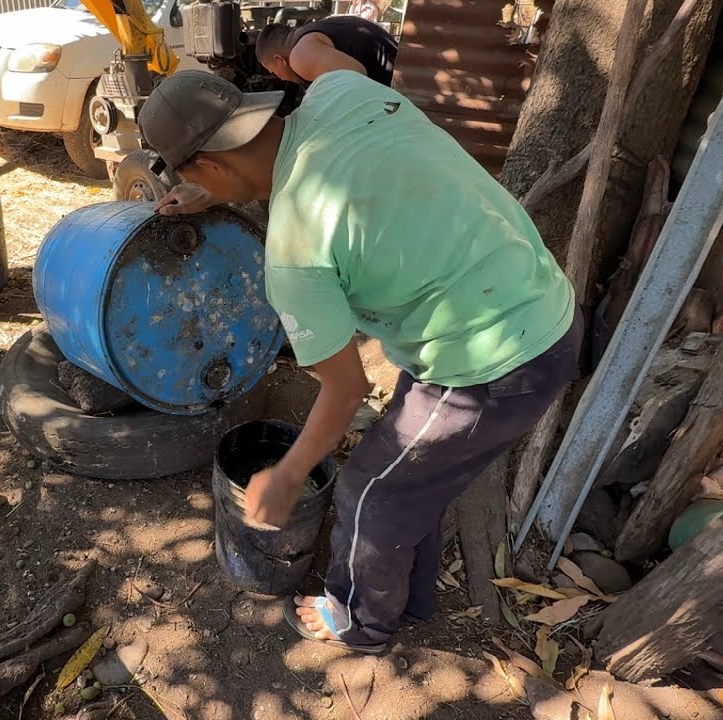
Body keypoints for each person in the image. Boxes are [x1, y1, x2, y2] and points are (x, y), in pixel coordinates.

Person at [135, 67, 579, 654]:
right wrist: (218, 187)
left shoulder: (294, 255)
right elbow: (321, 65)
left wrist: (288, 473)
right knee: (413, 477)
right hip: (535, 297)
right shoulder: (341, 91)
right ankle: (413, 597)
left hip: (492, 359)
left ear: (206, 166)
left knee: (370, 492)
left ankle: (360, 623)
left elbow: (345, 389)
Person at [255, 15, 398, 87]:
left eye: (274, 72)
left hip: (399, 90)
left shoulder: (299, 55)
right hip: (402, 73)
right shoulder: (312, 32)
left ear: (279, 59)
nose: (280, 78)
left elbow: (355, 78)